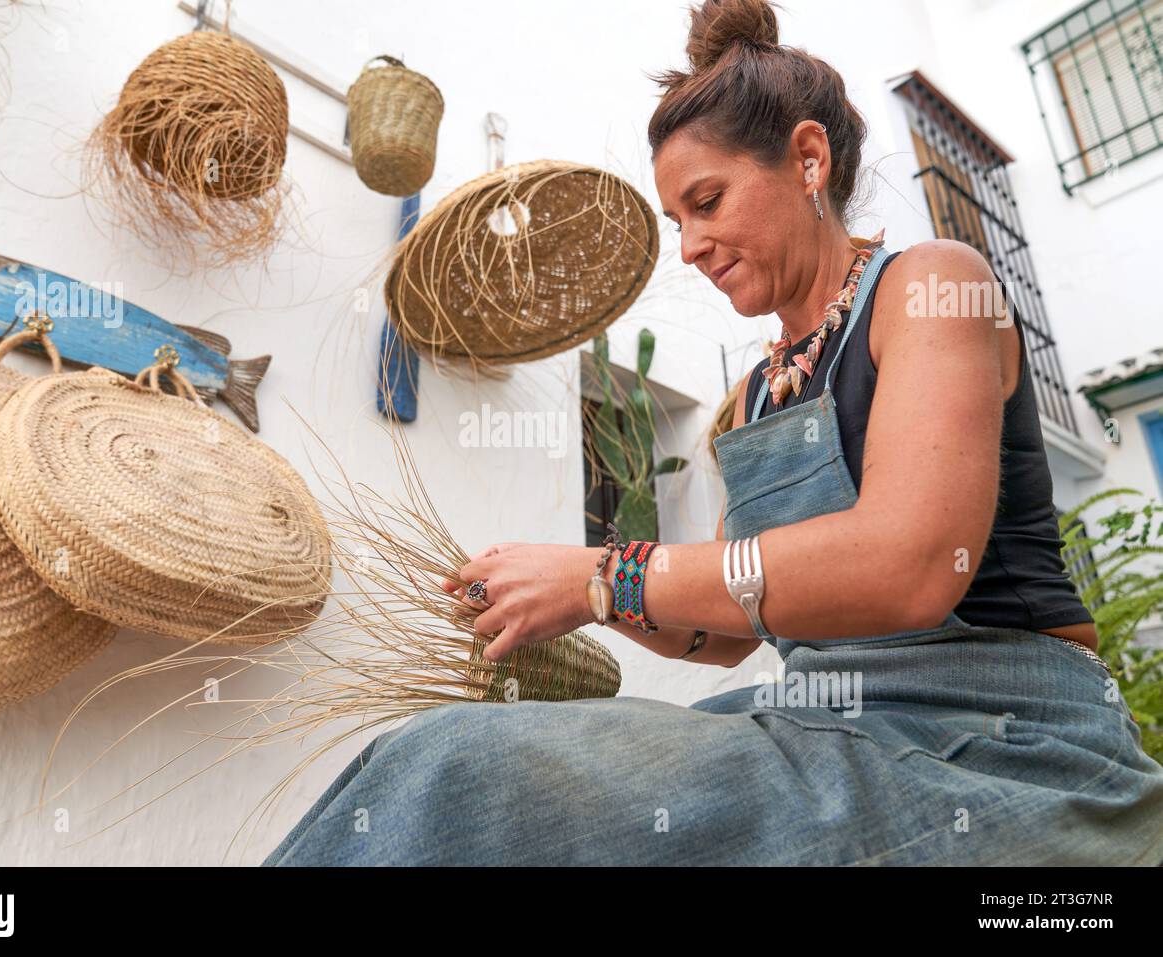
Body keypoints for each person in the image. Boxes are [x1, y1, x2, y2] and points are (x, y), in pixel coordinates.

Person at [264, 0, 1163, 866]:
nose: (689, 246)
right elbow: (735, 631)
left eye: (708, 200)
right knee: (437, 756)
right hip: (823, 725)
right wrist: (590, 598)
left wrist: (605, 574)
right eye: (677, 222)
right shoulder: (757, 394)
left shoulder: (931, 286)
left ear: (808, 160)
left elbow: (913, 562)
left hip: (998, 745)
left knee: (457, 772)